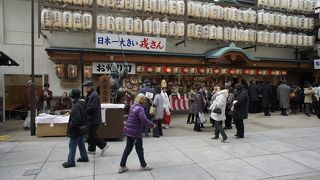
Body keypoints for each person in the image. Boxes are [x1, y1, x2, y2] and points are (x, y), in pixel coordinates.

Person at [118, 93, 156, 173]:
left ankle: (122, 166)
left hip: (129, 131)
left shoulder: (133, 106)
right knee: (139, 149)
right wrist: (152, 125)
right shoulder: (140, 108)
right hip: (135, 132)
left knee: (128, 148)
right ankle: (143, 165)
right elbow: (144, 119)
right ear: (143, 101)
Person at [62, 89, 89, 168]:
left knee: (72, 145)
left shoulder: (77, 105)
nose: (70, 98)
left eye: (71, 97)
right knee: (80, 143)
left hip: (76, 129)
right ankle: (84, 157)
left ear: (73, 97)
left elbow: (76, 119)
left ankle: (70, 162)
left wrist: (71, 126)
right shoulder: (83, 103)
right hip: (82, 128)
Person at [83, 81, 108, 155]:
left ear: (89, 87)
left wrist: (84, 109)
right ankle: (91, 150)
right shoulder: (91, 94)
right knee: (92, 134)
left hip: (93, 119)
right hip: (92, 118)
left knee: (91, 135)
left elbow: (92, 108)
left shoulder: (94, 95)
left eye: (85, 87)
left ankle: (104, 145)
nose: (84, 88)